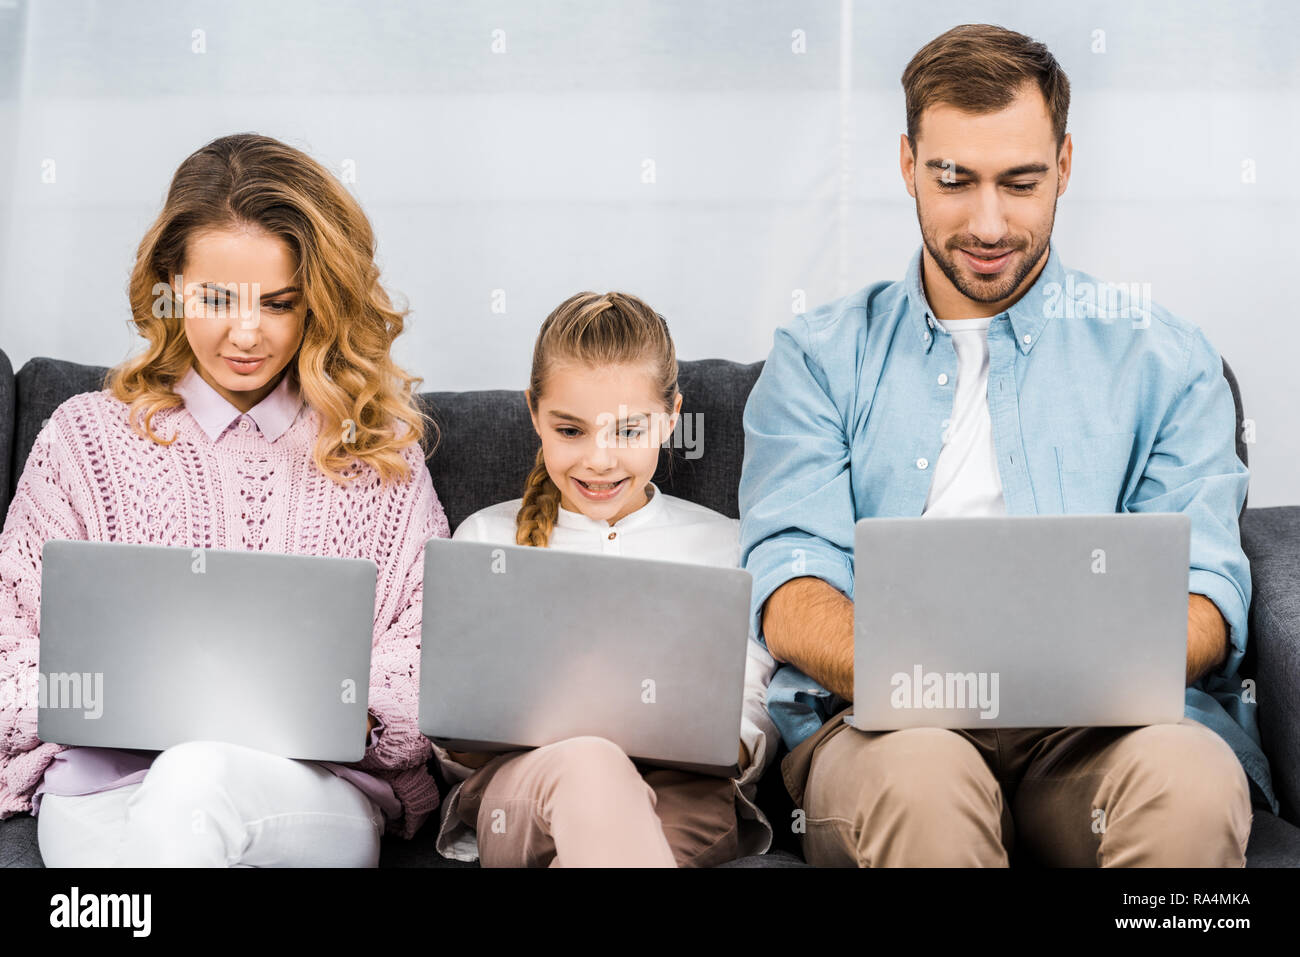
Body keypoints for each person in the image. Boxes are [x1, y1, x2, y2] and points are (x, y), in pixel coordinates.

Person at [739, 24, 1274, 867]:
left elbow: (1208, 586)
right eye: (955, 179)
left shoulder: (1165, 357)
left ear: (1064, 166)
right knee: (923, 781)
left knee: (1192, 783)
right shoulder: (815, 358)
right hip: (888, 727)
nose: (989, 222)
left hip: (1105, 735)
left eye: (1020, 182)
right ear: (908, 164)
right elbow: (791, 578)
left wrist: (1080, 678)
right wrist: (930, 680)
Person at [0, 132, 449, 866]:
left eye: (278, 303)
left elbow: (429, 651)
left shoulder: (377, 451)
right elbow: (9, 644)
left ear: (318, 302)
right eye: (216, 298)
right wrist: (101, 699)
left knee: (197, 775)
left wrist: (357, 718)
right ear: (170, 286)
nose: (248, 334)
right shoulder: (83, 437)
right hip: (101, 790)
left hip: (306, 790)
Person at [432, 291, 779, 867]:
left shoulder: (728, 544)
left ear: (671, 419)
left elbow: (752, 704)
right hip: (529, 788)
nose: (598, 460)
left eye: (628, 430)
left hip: (682, 791)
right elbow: (451, 736)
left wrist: (723, 740)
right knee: (590, 766)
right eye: (570, 431)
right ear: (534, 413)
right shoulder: (484, 541)